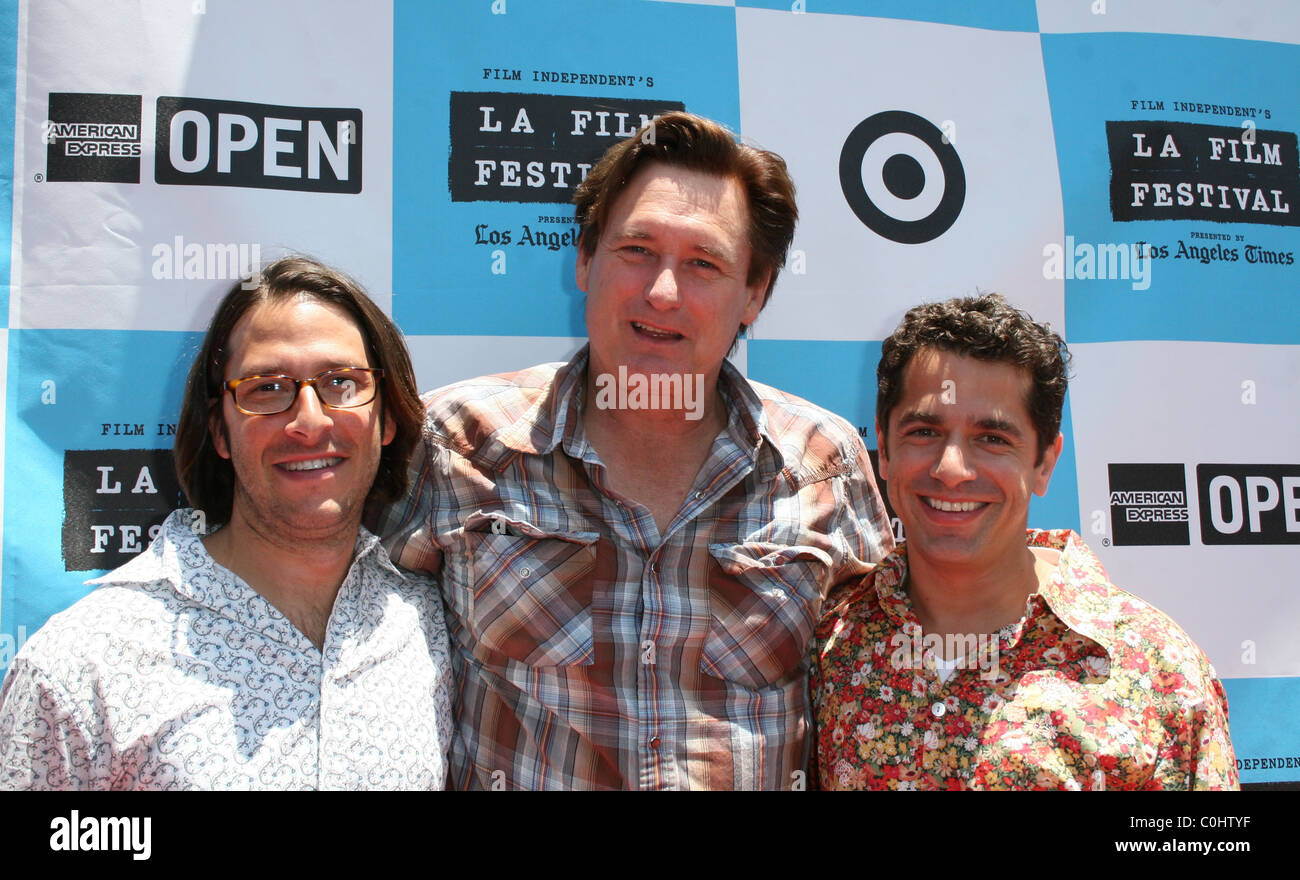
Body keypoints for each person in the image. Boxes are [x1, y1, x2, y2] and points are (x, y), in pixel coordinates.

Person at [378, 112, 893, 789]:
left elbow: (888, 679)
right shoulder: (458, 442)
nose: (661, 293)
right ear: (585, 259)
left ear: (755, 294)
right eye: (637, 250)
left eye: (704, 264)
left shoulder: (825, 463)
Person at [0, 256, 452, 790]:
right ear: (219, 431)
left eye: (341, 382)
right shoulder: (83, 664)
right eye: (266, 388)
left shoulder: (429, 622)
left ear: (387, 419)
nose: (309, 420)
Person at [813, 293, 1238, 790]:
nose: (951, 470)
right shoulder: (831, 644)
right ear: (883, 452)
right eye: (925, 431)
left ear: (1043, 463)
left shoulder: (1159, 670)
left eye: (992, 438)